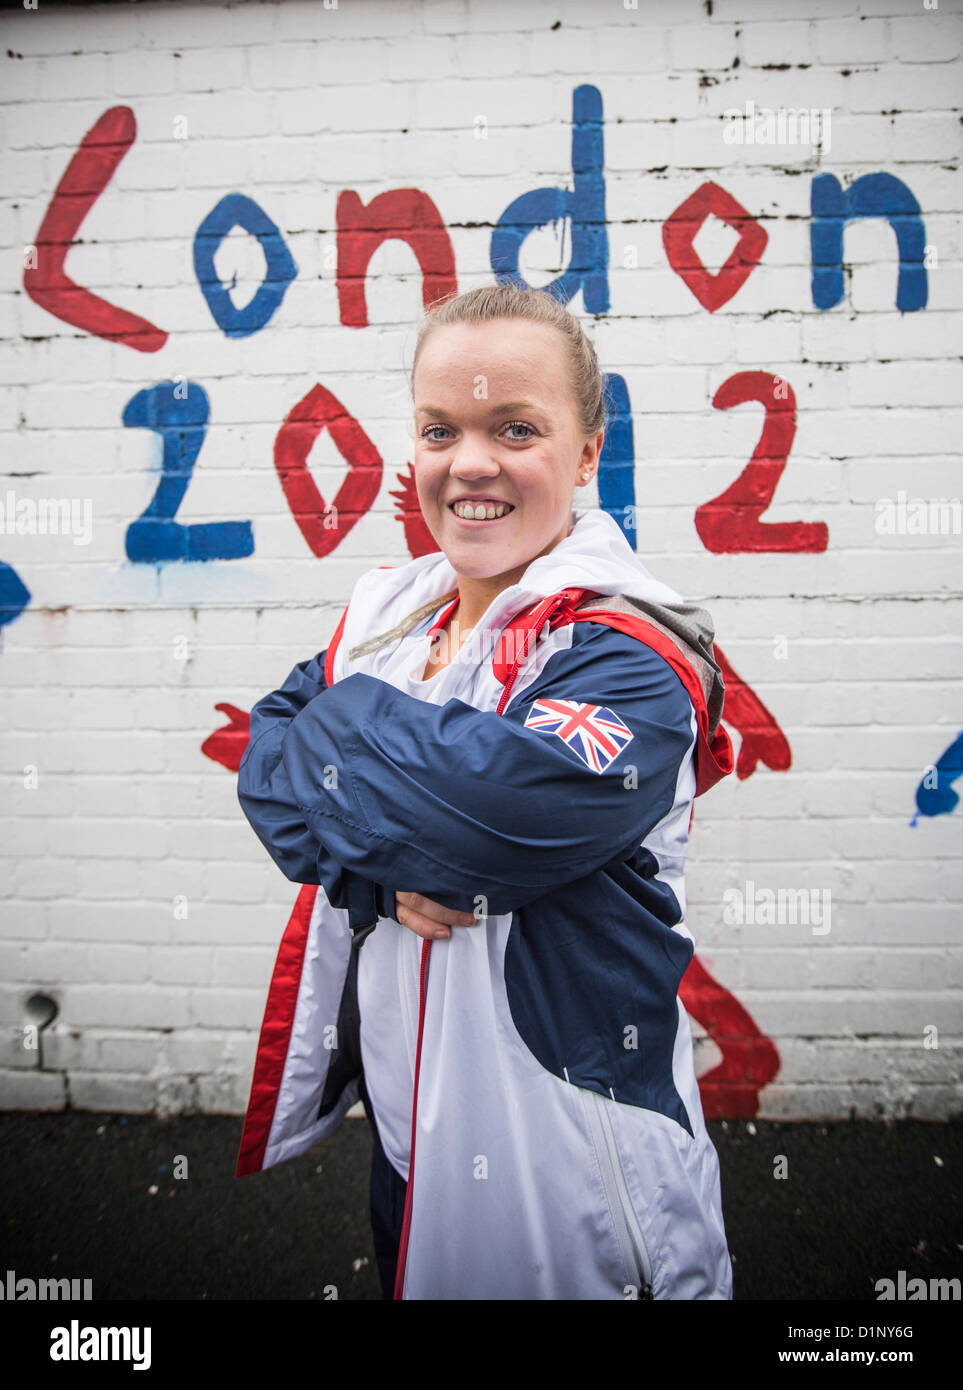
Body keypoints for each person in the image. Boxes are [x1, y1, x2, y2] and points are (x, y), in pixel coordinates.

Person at [234, 283, 736, 1300]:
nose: (470, 463)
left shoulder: (634, 652)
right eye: (439, 429)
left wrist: (336, 728)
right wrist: (378, 870)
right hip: (412, 1147)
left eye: (516, 427)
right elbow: (265, 768)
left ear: (588, 453)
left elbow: (489, 821)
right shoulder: (390, 613)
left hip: (574, 1170)